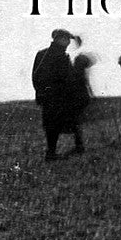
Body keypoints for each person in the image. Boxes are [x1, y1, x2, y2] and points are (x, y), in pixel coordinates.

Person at [32, 29, 75, 161]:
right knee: (54, 125)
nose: (68, 42)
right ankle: (51, 153)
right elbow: (66, 78)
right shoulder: (61, 56)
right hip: (57, 97)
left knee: (52, 125)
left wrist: (40, 92)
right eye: (66, 39)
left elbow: (35, 76)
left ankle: (51, 152)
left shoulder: (42, 54)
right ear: (59, 39)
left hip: (47, 97)